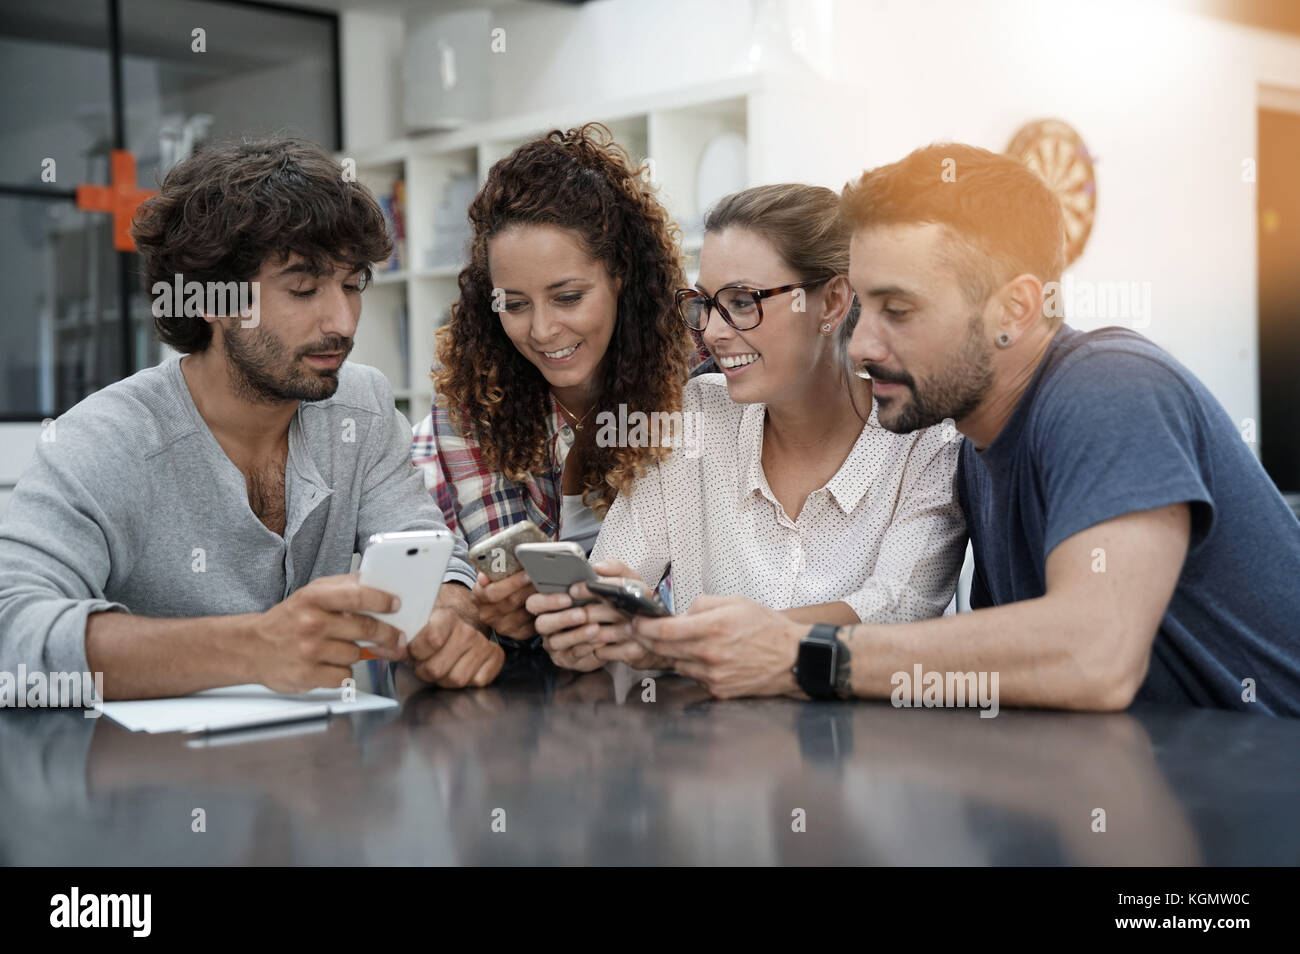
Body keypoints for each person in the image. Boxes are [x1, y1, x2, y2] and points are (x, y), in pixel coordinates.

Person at [625, 143, 1300, 717]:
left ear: (1014, 308)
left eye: (899, 310)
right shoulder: (973, 450)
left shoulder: (1110, 387)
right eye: (865, 307)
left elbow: (1095, 652)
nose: (860, 346)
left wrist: (797, 652)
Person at [0, 137, 502, 699]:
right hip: (141, 774)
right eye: (304, 288)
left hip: (320, 770)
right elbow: (12, 635)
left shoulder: (360, 408)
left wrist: (445, 620)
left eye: (351, 284)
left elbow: (432, 556)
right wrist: (254, 647)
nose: (341, 320)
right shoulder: (107, 439)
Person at [528, 184, 967, 672]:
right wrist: (593, 626)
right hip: (709, 741)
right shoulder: (693, 417)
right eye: (705, 304)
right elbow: (621, 569)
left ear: (833, 302)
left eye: (741, 301)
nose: (712, 332)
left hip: (861, 745)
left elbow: (896, 611)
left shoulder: (927, 442)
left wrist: (676, 641)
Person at [412, 122, 696, 649]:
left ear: (620, 272)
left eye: (567, 297)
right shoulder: (472, 397)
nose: (542, 331)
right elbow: (512, 581)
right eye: (515, 305)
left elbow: (692, 579)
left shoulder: (692, 386)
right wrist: (511, 610)